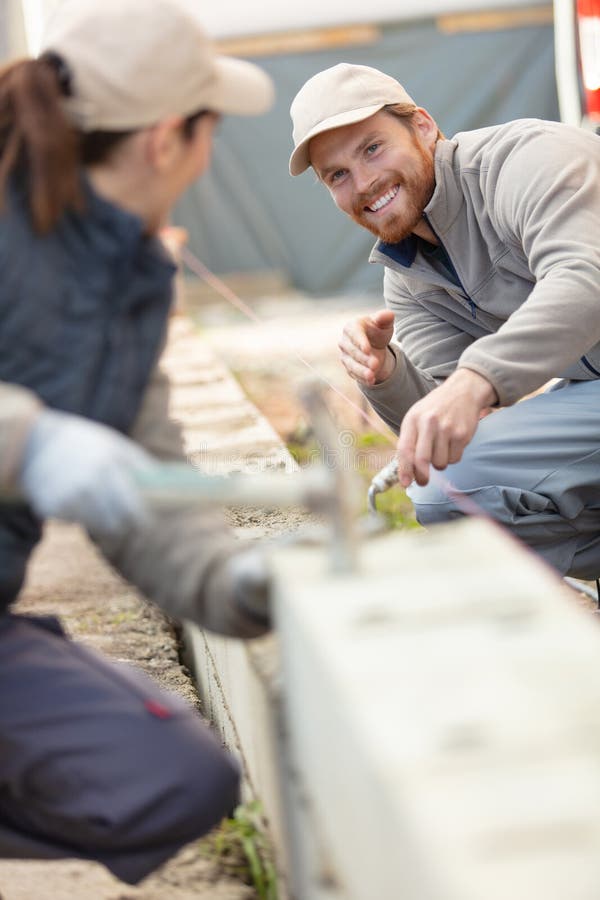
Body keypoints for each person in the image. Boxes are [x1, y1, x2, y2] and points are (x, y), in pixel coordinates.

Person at [0, 0, 275, 885]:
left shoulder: (131, 280)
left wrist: (234, 581)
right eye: (210, 128)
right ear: (167, 139)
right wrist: (28, 441)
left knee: (175, 778)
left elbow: (149, 472)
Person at [289, 62, 600, 579]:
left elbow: (586, 279)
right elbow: (445, 428)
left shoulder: (528, 160)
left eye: (372, 148)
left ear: (424, 126)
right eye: (337, 175)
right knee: (446, 489)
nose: (364, 183)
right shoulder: (407, 275)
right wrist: (387, 373)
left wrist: (478, 380)